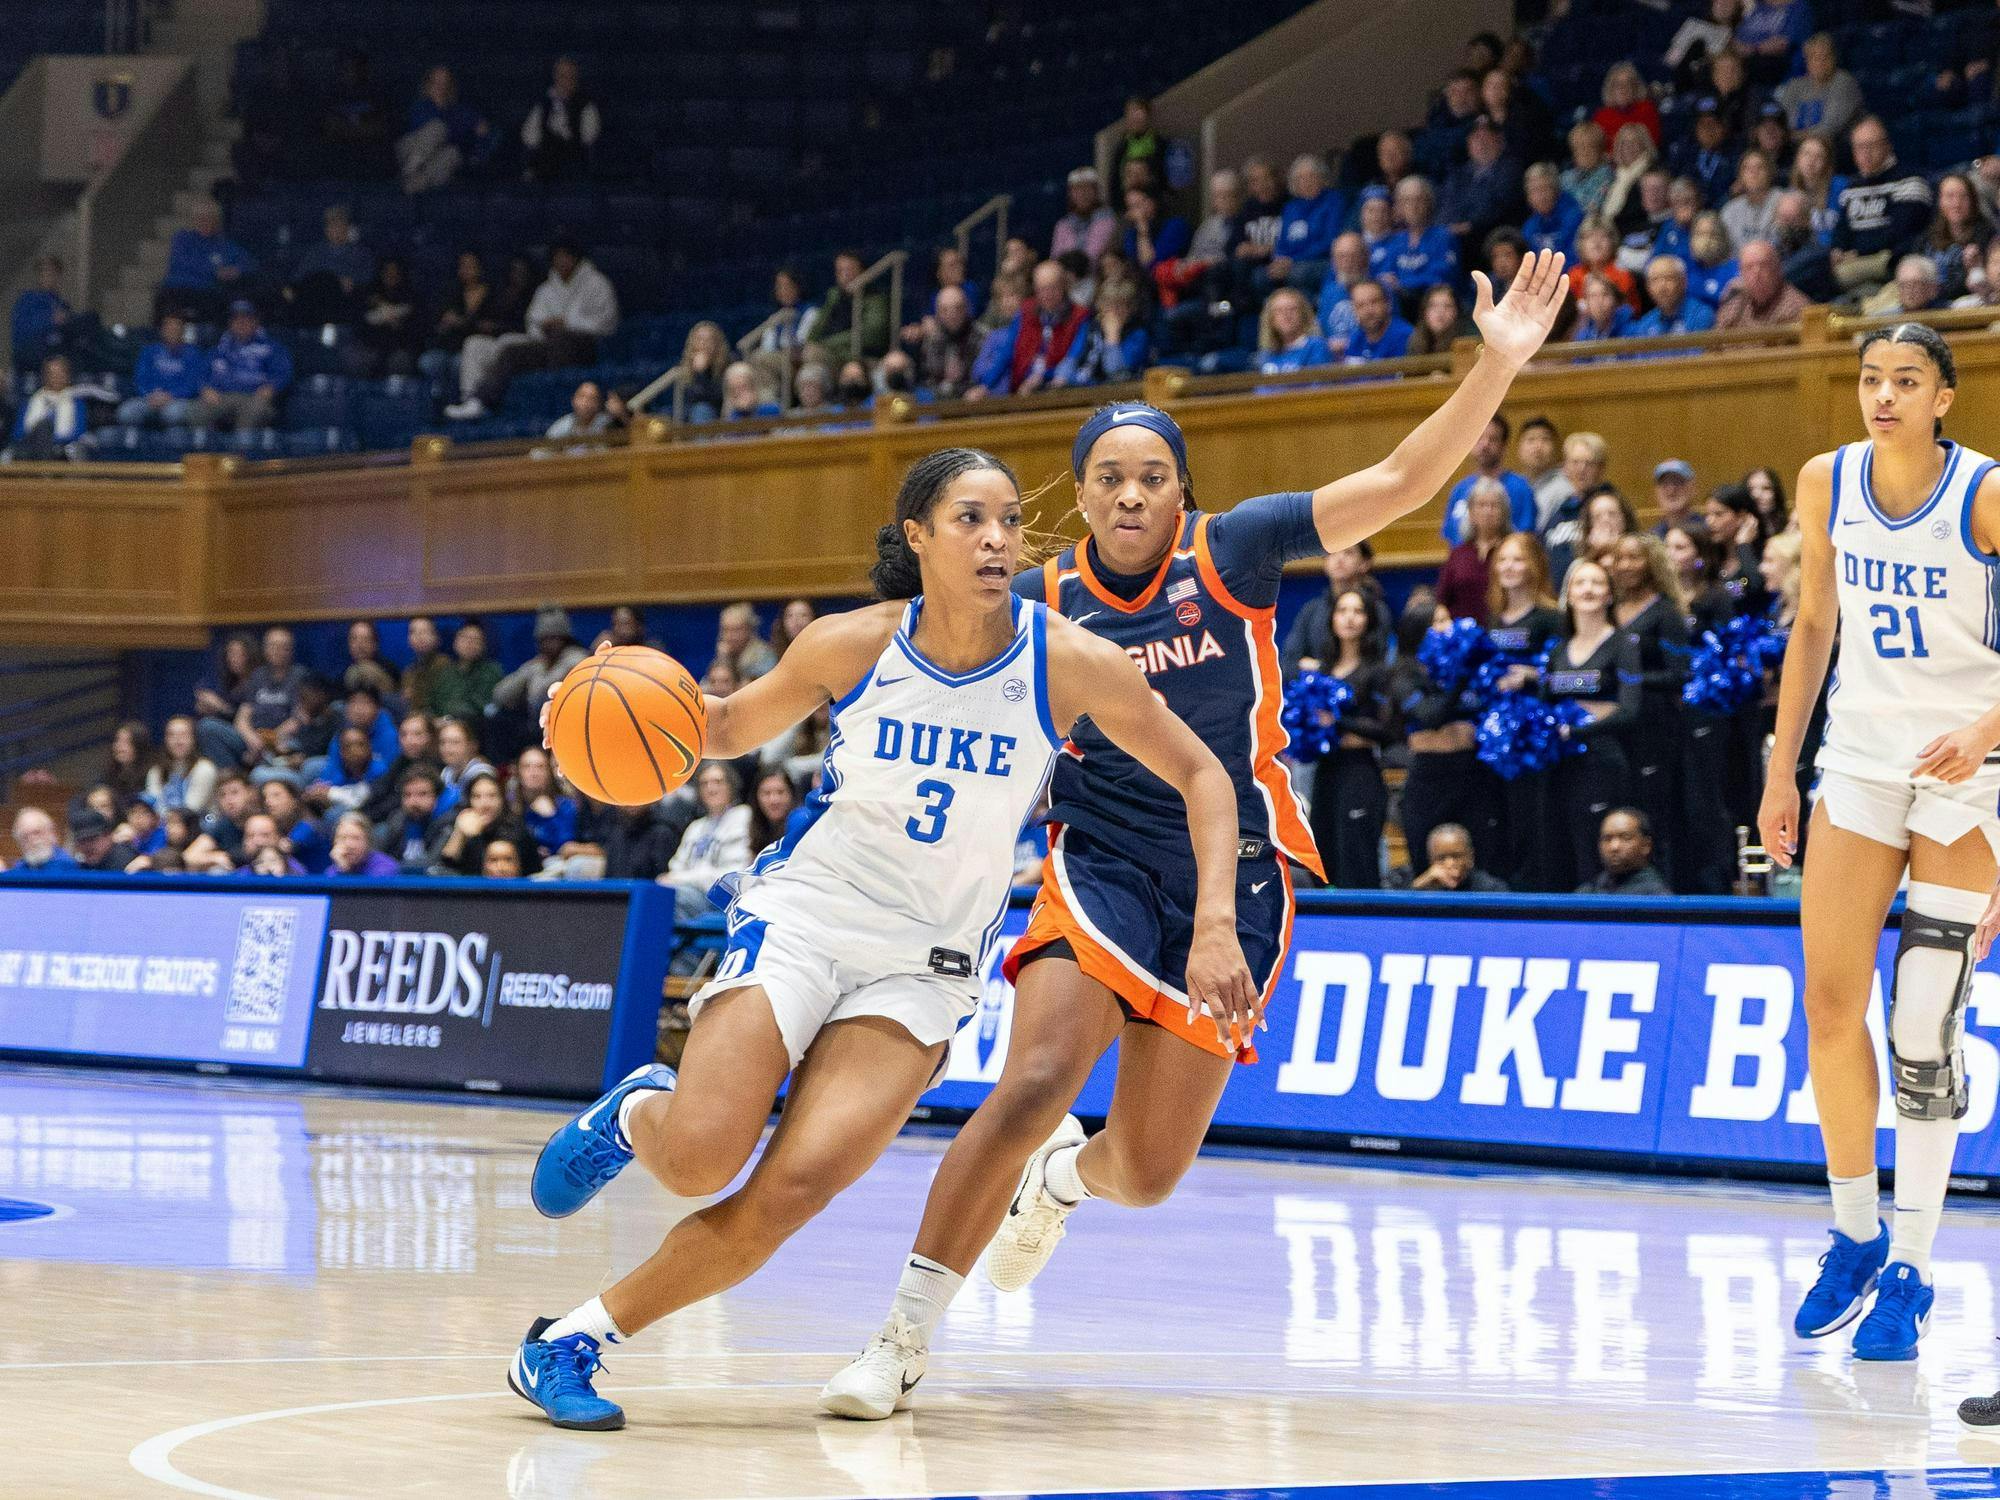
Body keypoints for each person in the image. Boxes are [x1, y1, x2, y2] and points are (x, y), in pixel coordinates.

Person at [819, 251, 1570, 1421]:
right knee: (1029, 1082)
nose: (1130, 495)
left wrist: (1496, 363)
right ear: (1077, 494)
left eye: (1152, 476)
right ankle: (900, 1338)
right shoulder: (1040, 603)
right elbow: (907, 653)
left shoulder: (1236, 551)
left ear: (1180, 491)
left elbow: (1400, 477)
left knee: (1148, 1172)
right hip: (1100, 859)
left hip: (1244, 875)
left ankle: (1063, 1182)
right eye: (1107, 477)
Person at [509, 445, 1255, 1433]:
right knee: (696, 1158)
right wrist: (583, 721)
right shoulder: (851, 645)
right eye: (968, 520)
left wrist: (1212, 922)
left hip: (924, 962)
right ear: (918, 536)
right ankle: (638, 1112)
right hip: (808, 917)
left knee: (792, 1190)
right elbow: (724, 724)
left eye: (1006, 523)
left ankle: (568, 1344)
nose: (995, 541)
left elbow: (1205, 775)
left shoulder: (1067, 660)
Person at [1759, 323, 2000, 1364]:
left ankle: (1910, 1260)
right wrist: (1778, 765)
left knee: (1919, 1029)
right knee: (1824, 1001)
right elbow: (1812, 625)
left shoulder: (1983, 495)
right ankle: (1852, 1231)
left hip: (1967, 776)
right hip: (1855, 764)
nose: (1882, 397)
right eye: (1869, 380)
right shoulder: (1825, 482)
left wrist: (1987, 728)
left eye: (1905, 381)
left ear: (1943, 397)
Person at [1544, 558, 1641, 891]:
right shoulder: (1558, 651)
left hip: (1603, 763)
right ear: (1568, 595)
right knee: (1563, 849)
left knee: (1597, 852)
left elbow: (1629, 711)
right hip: (1561, 766)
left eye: (1597, 583)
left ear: (1609, 595)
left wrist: (1578, 728)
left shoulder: (1623, 645)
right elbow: (1546, 706)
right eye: (1580, 583)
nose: (1588, 589)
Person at [1487, 530, 1564, 890]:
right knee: (1505, 816)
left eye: (1517, 559)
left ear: (1533, 565)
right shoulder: (1494, 618)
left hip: (1536, 731)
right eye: (1503, 559)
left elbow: (1565, 668)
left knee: (1537, 814)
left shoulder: (1551, 617)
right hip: (1499, 732)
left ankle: (1540, 885)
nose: (1509, 567)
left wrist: (1530, 676)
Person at [1304, 587, 1393, 889]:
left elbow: (1386, 730)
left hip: (1360, 772)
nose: (1349, 618)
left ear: (1369, 619)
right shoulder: (1322, 670)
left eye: (1358, 611)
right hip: (1326, 770)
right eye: (1343, 611)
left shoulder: (1378, 670)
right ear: (1332, 619)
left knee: (1357, 858)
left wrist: (1338, 721)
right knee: (1323, 855)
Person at [190, 301, 292, 433]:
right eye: (236, 318)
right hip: (222, 396)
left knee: (253, 411)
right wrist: (205, 389)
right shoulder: (219, 348)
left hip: (254, 396)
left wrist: (271, 388)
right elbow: (200, 374)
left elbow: (283, 373)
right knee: (196, 412)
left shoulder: (270, 347)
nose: (241, 322)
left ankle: (241, 452)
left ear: (255, 321)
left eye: (246, 318)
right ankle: (207, 452)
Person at [1441, 415, 1537, 542]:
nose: (1485, 445)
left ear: (1503, 446)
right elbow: (1451, 538)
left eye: (1493, 439)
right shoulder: (1459, 490)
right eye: (1479, 438)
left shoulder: (1521, 489)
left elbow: (1526, 538)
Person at [159, 200, 255, 322]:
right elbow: (181, 263)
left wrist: (236, 271)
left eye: (209, 218)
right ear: (194, 220)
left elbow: (249, 263)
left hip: (211, 293)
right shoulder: (183, 239)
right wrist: (214, 272)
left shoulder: (223, 244)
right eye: (201, 218)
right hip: (182, 289)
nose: (205, 222)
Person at [1437, 479, 1510, 623]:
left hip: (1504, 633)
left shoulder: (1512, 550)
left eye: (1494, 505)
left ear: (1504, 512)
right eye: (1481, 505)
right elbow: (1442, 601)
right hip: (1463, 637)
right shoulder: (1458, 554)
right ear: (1470, 512)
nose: (1488, 511)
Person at [117, 309, 204, 429]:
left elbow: (193, 384)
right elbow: (140, 379)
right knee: (126, 412)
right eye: (168, 326)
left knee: (172, 414)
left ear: (182, 330)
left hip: (178, 400)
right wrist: (151, 395)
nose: (172, 330)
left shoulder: (193, 353)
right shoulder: (149, 351)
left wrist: (170, 395)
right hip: (150, 398)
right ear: (162, 329)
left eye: (176, 326)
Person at [520, 55, 600, 182]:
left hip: (573, 163)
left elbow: (589, 138)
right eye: (562, 75)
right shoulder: (542, 103)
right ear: (555, 77)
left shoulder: (586, 104)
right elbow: (529, 137)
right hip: (545, 162)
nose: (566, 80)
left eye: (570, 75)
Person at [1775, 32, 1863, 139]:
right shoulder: (1795, 85)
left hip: (1834, 148)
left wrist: (1792, 137)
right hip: (1796, 146)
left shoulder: (1844, 82)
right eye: (1815, 58)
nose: (1820, 63)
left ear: (1834, 59)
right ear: (1807, 62)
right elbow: (1781, 121)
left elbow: (1830, 128)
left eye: (1826, 57)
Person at [1716, 239, 1811, 328]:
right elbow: (1715, 342)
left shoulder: (1798, 310)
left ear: (1777, 269)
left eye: (1764, 265)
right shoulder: (1733, 309)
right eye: (1749, 267)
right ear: (1741, 273)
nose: (1756, 274)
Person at [1578, 807, 1671, 894]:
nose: (1614, 847)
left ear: (1646, 845)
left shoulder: (1657, 896)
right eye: (1607, 838)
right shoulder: (1589, 890)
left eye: (1625, 838)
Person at [1394, 822, 1509, 891]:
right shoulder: (1403, 879)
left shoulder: (1492, 889)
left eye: (1456, 856)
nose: (1449, 863)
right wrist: (1420, 887)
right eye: (1441, 858)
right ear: (1430, 859)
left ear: (1470, 857)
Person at [430, 619, 501, 722]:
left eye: (475, 639)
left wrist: (449, 720)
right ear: (455, 642)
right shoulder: (445, 672)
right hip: (442, 725)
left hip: (475, 726)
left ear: (483, 645)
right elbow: (432, 704)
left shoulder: (492, 672)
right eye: (464, 638)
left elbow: (484, 708)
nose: (469, 643)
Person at [1253, 288, 1328, 375]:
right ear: (1270, 319)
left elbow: (1319, 385)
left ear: (1303, 315)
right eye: (1279, 311)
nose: (1286, 315)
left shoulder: (1316, 346)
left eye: (1292, 309)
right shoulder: (1265, 354)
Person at [1342, 279, 1414, 364]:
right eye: (1360, 305)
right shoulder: (1356, 339)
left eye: (1374, 302)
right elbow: (1349, 376)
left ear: (1388, 304)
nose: (1368, 310)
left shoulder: (1407, 337)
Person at [3, 807, 78, 874]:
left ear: (52, 834)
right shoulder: (17, 871)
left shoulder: (71, 867)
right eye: (25, 837)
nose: (32, 840)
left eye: (37, 833)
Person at [327, 810, 398, 877]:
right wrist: (342, 869)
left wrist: (345, 872)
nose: (349, 845)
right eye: (342, 838)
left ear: (368, 842)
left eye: (355, 838)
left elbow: (367, 889)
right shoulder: (333, 871)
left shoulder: (385, 867)